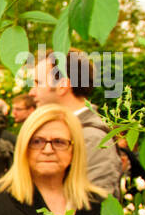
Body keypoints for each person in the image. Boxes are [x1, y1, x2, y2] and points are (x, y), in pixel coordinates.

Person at [31, 49, 122, 193]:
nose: (31, 92)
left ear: (62, 86)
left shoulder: (93, 138)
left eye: (37, 83)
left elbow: (96, 204)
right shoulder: (71, 130)